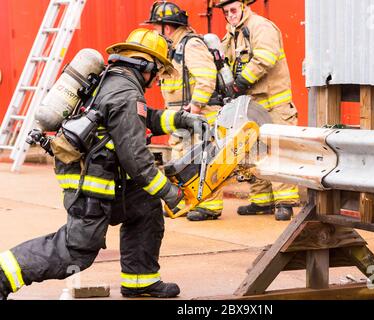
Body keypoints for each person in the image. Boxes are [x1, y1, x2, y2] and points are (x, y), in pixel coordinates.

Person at [0, 28, 208, 300]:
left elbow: (137, 120)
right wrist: (171, 193)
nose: (156, 78)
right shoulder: (126, 92)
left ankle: (140, 281)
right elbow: (137, 160)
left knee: (145, 208)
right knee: (76, 251)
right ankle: (3, 275)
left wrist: (180, 119)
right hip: (93, 184)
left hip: (107, 177)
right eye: (157, 70)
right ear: (146, 64)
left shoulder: (113, 80)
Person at [216, 0, 300, 221]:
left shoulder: (260, 26)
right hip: (250, 105)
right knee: (253, 152)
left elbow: (265, 58)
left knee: (278, 151)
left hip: (274, 103)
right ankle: (261, 201)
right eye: (226, 12)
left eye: (233, 10)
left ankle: (285, 202)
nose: (230, 15)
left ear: (244, 7)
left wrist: (240, 82)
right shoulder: (231, 36)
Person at [143, 1, 224, 222]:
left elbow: (207, 76)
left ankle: (210, 206)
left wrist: (196, 105)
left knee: (202, 159)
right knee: (181, 161)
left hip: (199, 114)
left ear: (166, 28)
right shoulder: (173, 47)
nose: (154, 32)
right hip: (180, 116)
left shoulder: (191, 45)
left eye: (155, 28)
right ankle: (186, 203)